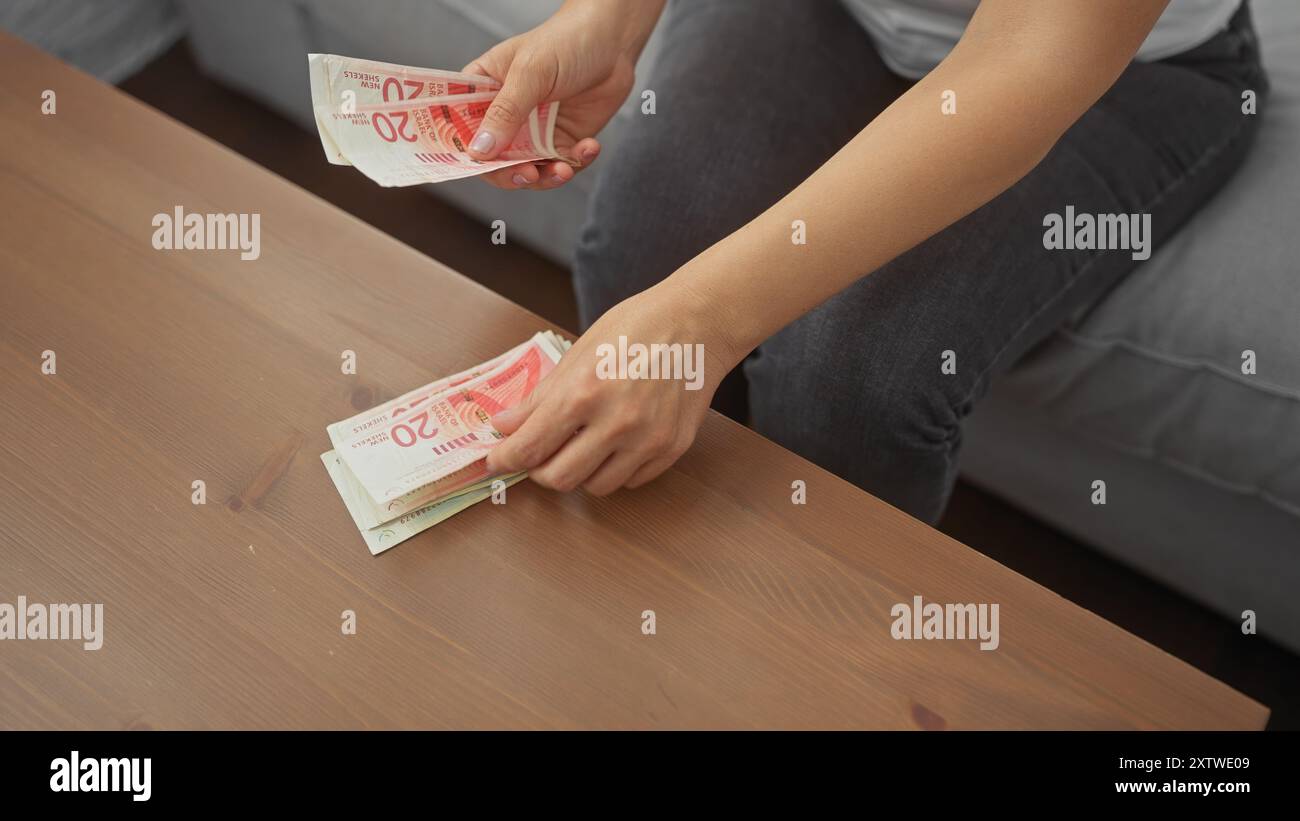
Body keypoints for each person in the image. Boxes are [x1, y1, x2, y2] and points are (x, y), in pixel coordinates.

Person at [464, 0, 1267, 523]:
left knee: (849, 377)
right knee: (645, 252)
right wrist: (607, 20)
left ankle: (817, 661)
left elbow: (1019, 63)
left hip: (1116, 67)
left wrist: (698, 321)